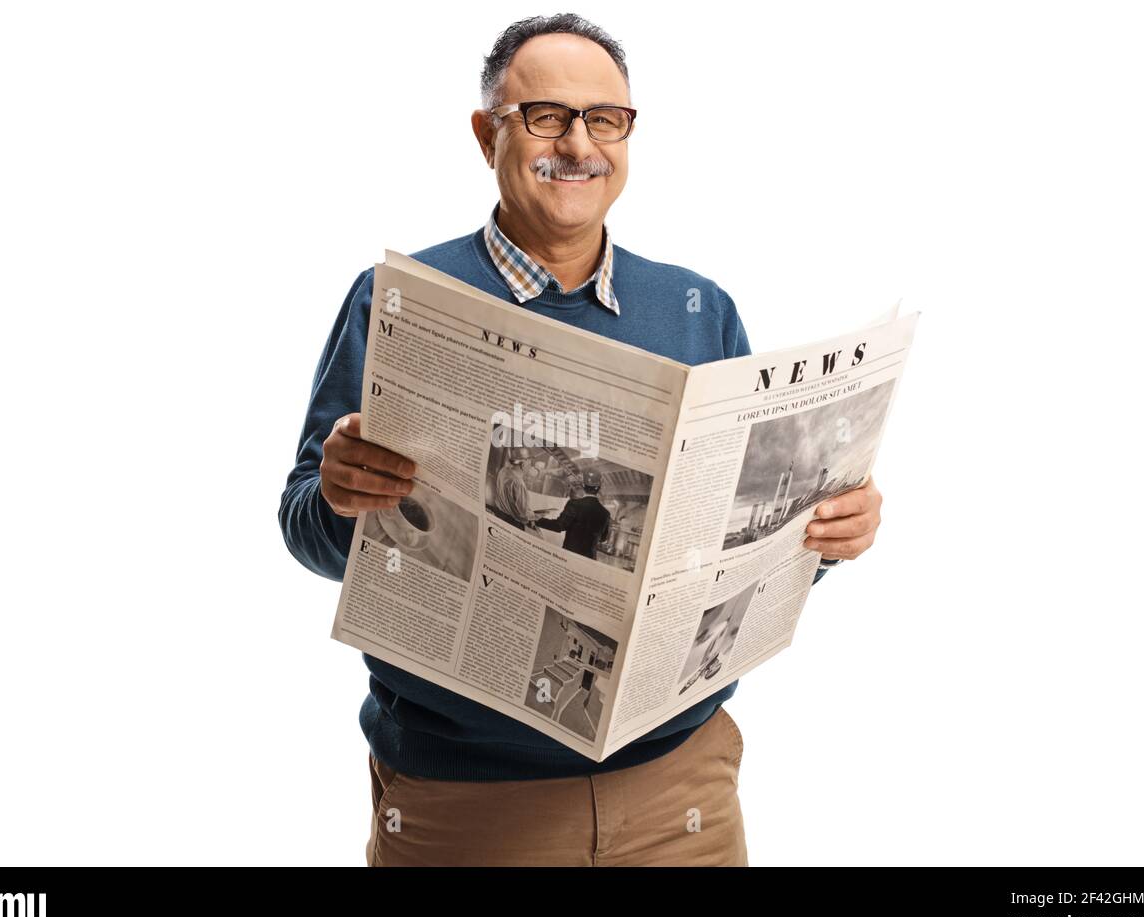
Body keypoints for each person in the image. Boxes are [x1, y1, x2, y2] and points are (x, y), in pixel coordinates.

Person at [279, 14, 885, 866]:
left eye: (606, 118)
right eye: (546, 117)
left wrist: (825, 541)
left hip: (682, 794)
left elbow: (729, 550)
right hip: (467, 812)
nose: (579, 144)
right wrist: (341, 496)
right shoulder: (398, 298)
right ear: (488, 133)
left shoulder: (697, 308)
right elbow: (308, 530)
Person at [533, 469, 612, 559]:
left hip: (569, 555)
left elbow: (559, 526)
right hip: (589, 559)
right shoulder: (606, 514)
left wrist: (536, 519)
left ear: (583, 485)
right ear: (599, 487)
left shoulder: (574, 504)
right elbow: (603, 539)